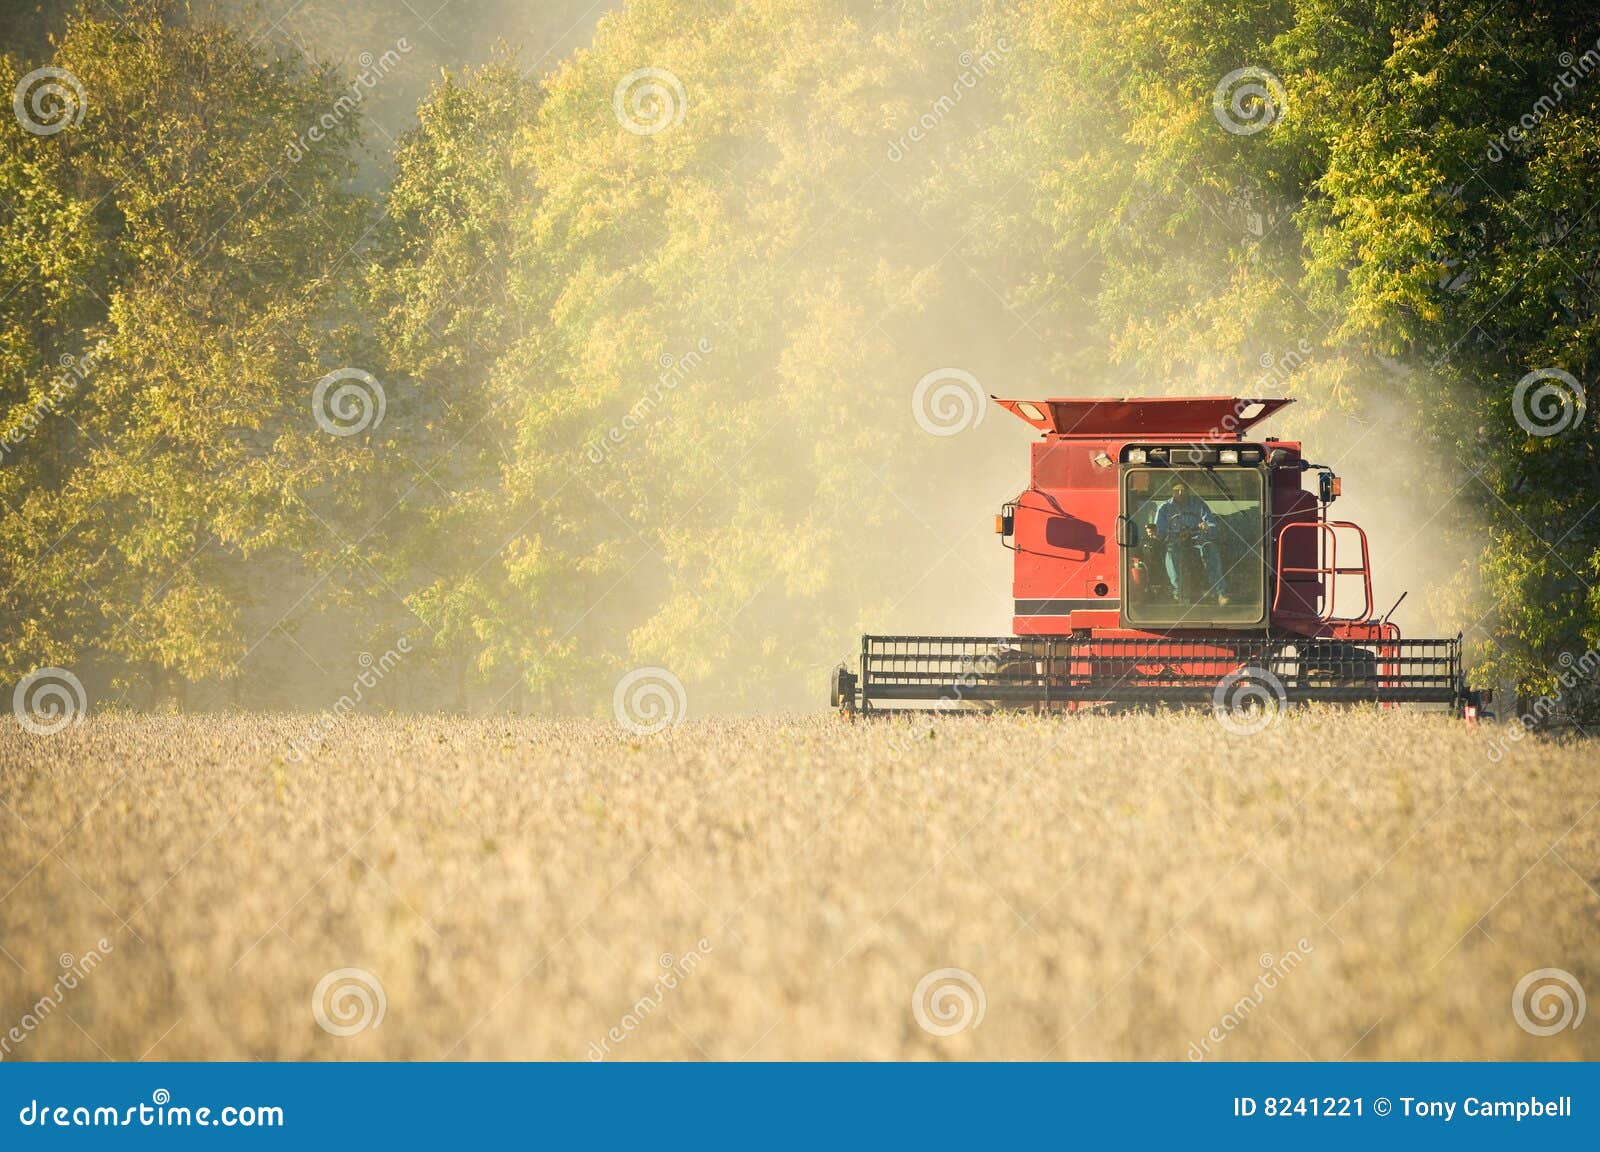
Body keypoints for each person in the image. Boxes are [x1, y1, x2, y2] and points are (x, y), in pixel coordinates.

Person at [1149, 480, 1228, 606]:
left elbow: (1212, 525)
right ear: (1172, 491)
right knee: (1171, 553)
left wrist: (1206, 526)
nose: (1180, 493)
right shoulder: (1164, 508)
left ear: (1188, 491)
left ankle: (1220, 593)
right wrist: (1155, 533)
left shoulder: (1199, 504)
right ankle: (1177, 593)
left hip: (1197, 541)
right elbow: (1161, 531)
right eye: (1177, 490)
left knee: (1209, 548)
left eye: (1183, 490)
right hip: (1175, 542)